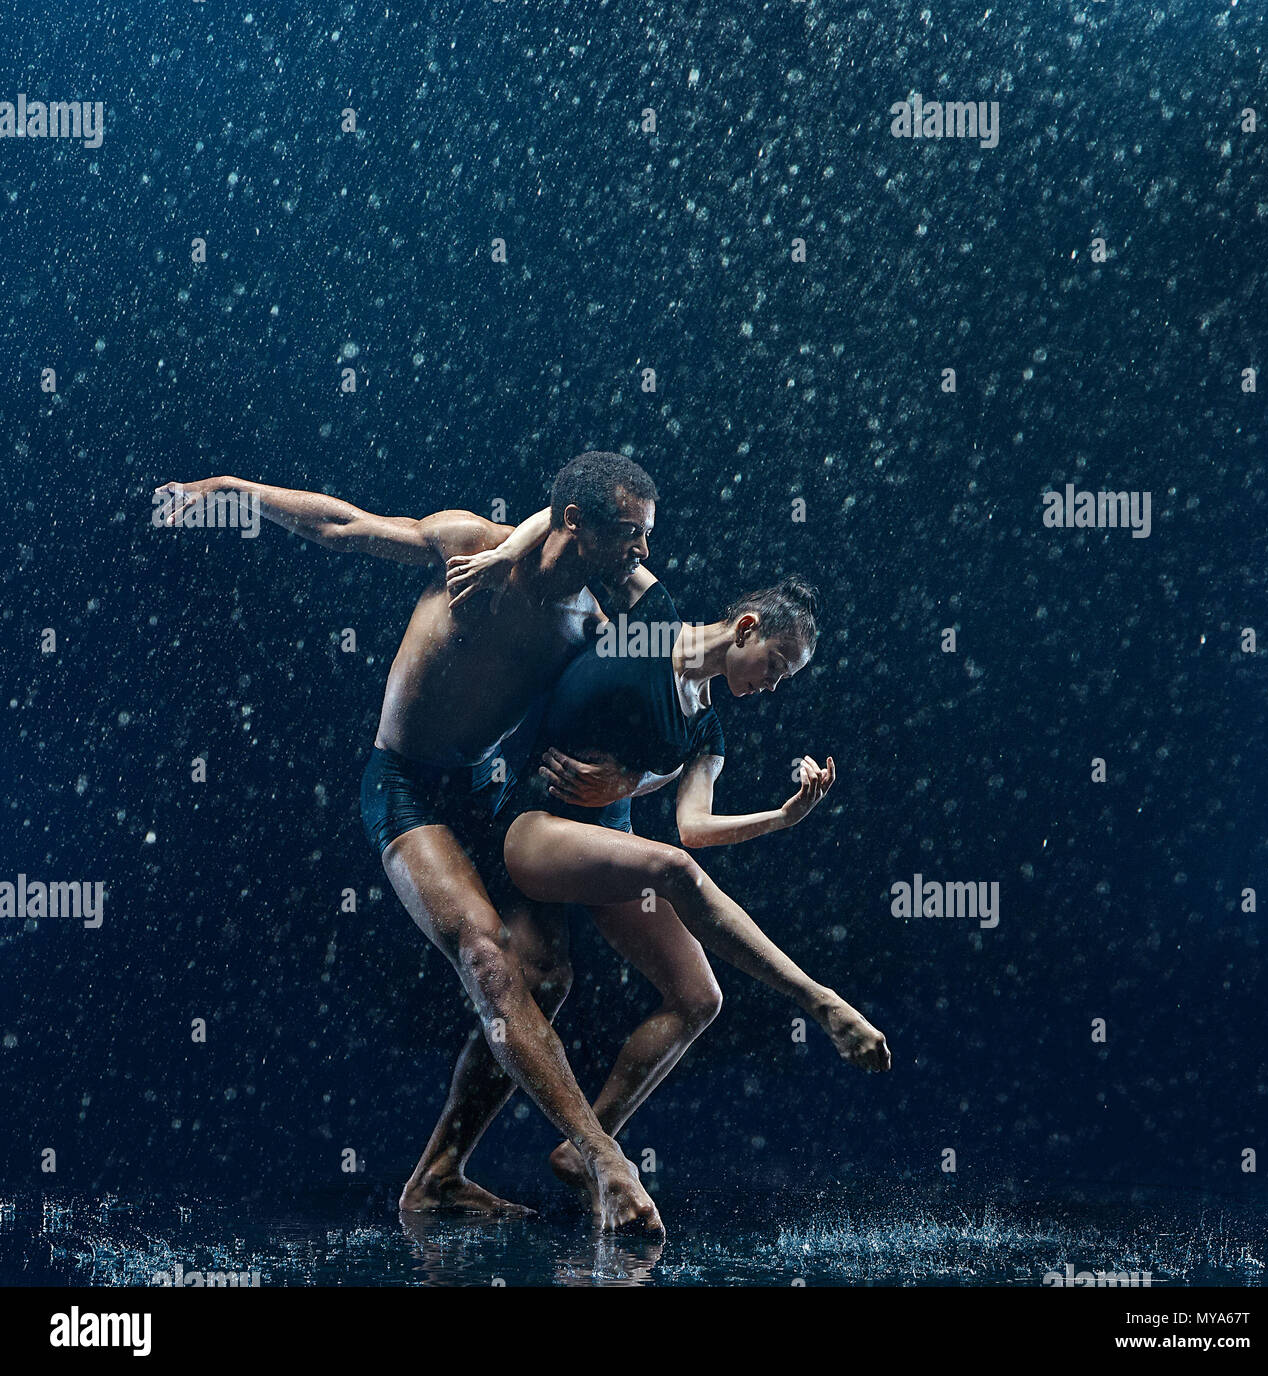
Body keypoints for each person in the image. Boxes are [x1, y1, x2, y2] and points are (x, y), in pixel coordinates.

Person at [153, 452, 669, 1234]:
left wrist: (626, 784)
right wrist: (231, 491)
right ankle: (604, 1159)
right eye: (630, 535)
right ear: (575, 523)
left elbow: (674, 717)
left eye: (646, 537)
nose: (642, 553)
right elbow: (346, 526)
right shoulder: (470, 544)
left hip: (486, 791)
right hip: (402, 783)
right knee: (488, 958)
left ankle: (436, 1177)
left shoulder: (594, 627)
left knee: (548, 975)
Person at [444, 542, 892, 1196]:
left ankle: (586, 1148)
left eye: (782, 682)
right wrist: (502, 553)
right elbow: (585, 526)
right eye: (775, 667)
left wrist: (783, 816)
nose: (770, 688)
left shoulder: (705, 729)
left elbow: (696, 827)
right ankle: (820, 1001)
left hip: (605, 845)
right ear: (747, 629)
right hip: (536, 827)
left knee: (699, 997)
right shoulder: (651, 613)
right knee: (669, 873)